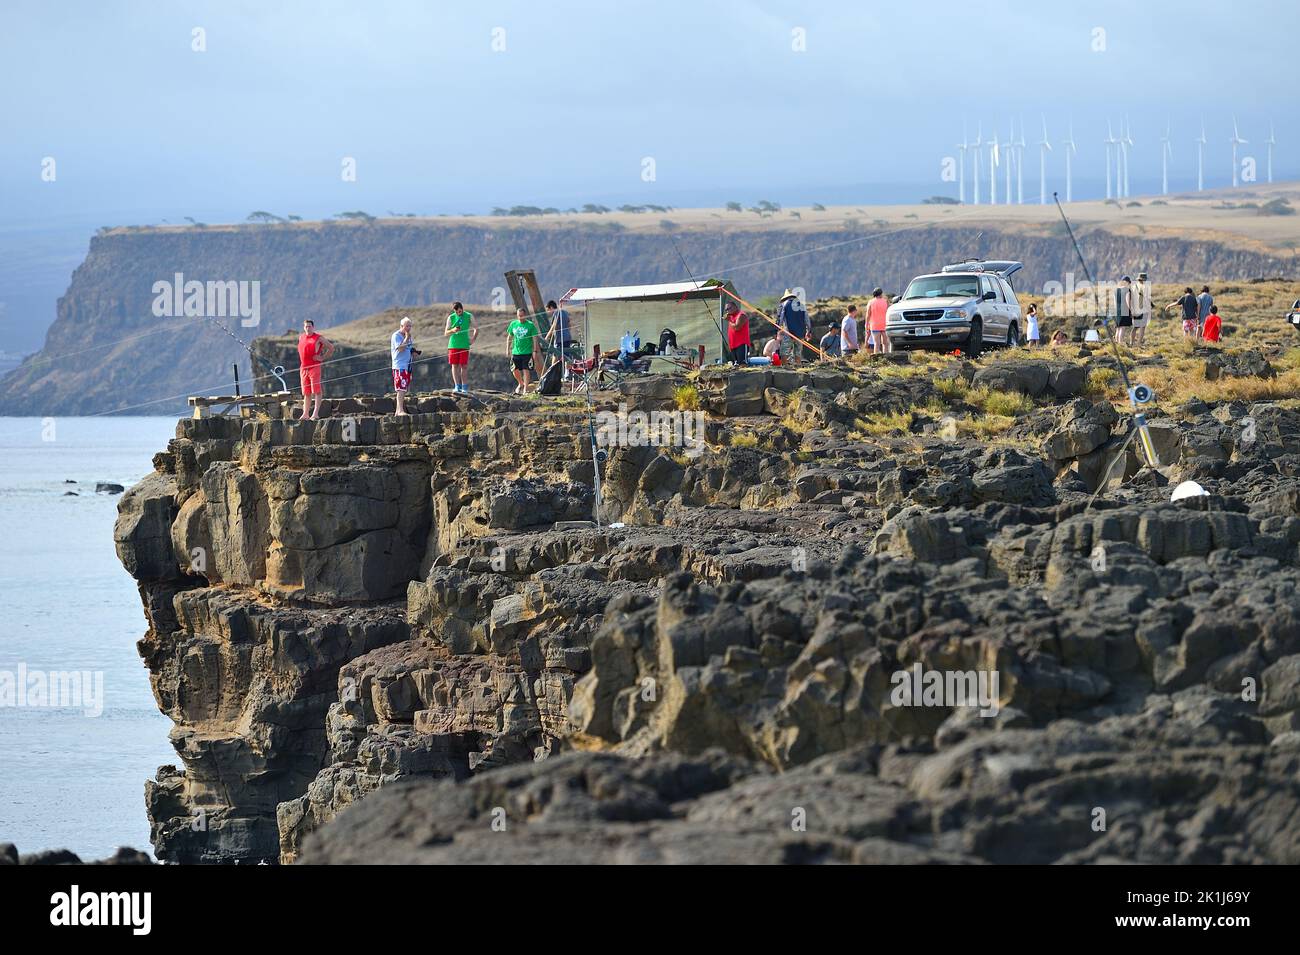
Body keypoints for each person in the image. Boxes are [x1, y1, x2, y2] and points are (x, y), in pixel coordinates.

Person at [296, 318, 335, 420]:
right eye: (306, 326)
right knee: (306, 392)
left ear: (313, 327)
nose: (308, 328)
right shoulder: (301, 337)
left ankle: (315, 413)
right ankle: (305, 414)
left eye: (309, 326)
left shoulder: (318, 338)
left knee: (317, 391)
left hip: (314, 367)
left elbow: (331, 347)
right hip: (303, 368)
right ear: (304, 327)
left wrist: (322, 358)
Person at [506, 306, 542, 394]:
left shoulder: (530, 325)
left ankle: (525, 388)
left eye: (522, 315)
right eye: (519, 316)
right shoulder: (513, 324)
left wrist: (534, 351)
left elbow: (534, 338)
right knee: (514, 369)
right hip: (516, 351)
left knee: (526, 370)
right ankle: (521, 383)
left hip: (527, 351)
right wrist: (507, 349)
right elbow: (509, 337)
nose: (520, 317)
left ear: (525, 315)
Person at [444, 302, 477, 394]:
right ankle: (456, 386)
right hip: (453, 345)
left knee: (464, 366)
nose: (459, 313)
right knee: (454, 365)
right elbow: (446, 333)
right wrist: (453, 330)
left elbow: (476, 328)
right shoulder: (451, 317)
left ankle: (464, 387)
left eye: (460, 311)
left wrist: (473, 339)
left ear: (462, 308)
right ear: (454, 311)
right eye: (457, 312)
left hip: (464, 345)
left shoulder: (469, 316)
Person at [776, 289, 808, 365]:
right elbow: (807, 319)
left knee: (784, 351)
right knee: (798, 352)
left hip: (789, 332)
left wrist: (778, 327)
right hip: (800, 333)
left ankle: (785, 367)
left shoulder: (785, 304)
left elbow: (780, 317)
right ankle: (798, 367)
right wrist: (808, 330)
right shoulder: (801, 305)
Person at [391, 316, 415, 415]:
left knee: (404, 388)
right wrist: (406, 338)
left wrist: (413, 352)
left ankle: (398, 411)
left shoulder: (408, 337)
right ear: (401, 326)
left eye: (410, 326)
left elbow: (408, 349)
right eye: (406, 326)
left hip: (407, 366)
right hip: (399, 366)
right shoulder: (396, 335)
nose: (408, 328)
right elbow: (400, 349)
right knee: (400, 388)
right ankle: (400, 410)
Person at [866, 287, 889, 354]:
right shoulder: (885, 301)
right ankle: (886, 358)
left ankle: (877, 359)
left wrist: (867, 325)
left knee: (876, 344)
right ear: (881, 294)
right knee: (885, 343)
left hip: (874, 326)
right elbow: (889, 312)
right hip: (884, 325)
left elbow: (868, 315)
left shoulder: (870, 302)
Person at [1131, 272, 1152, 346]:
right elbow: (1147, 299)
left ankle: (1132, 343)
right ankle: (1139, 343)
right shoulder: (1146, 287)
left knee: (1135, 327)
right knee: (1142, 327)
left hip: (1135, 310)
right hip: (1144, 309)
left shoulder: (1133, 287)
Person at [1114, 276, 1134, 345]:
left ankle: (1117, 343)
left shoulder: (1116, 290)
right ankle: (1120, 343)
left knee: (1118, 328)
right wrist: (1131, 310)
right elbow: (1128, 301)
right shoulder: (1127, 290)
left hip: (1117, 311)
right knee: (1122, 328)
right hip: (1124, 310)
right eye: (1129, 283)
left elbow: (1115, 302)